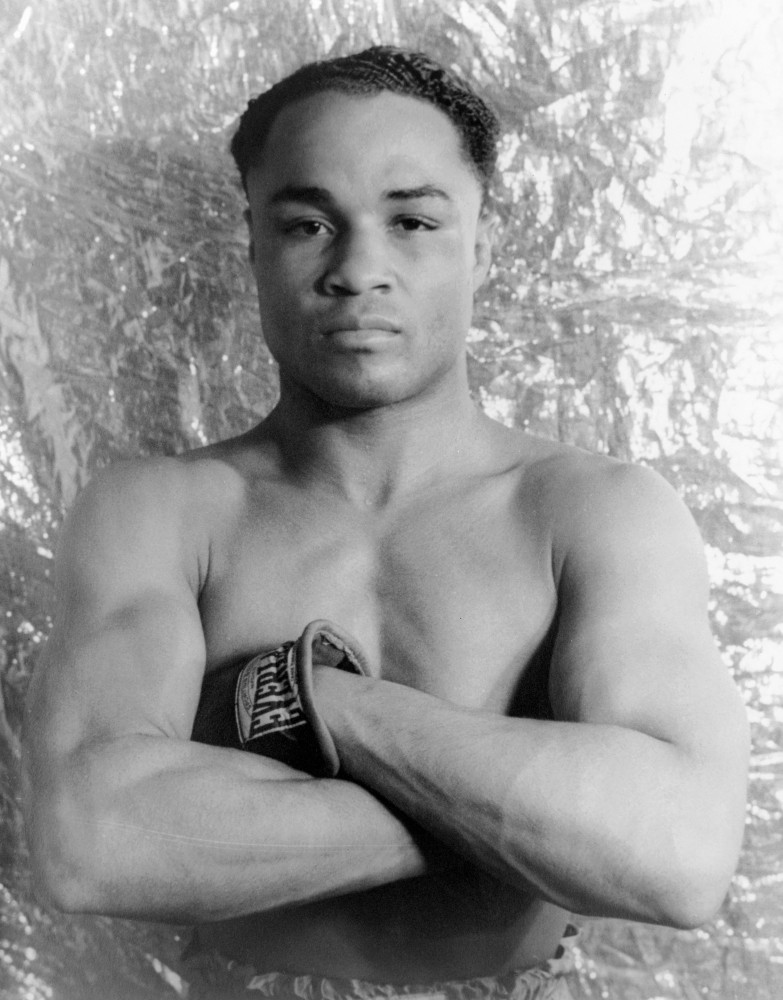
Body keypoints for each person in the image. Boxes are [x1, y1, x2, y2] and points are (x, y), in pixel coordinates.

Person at [22, 46, 749, 1000]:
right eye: (308, 223)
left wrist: (321, 702)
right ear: (251, 244)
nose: (358, 269)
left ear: (481, 245)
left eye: (411, 220)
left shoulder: (593, 512)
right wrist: (521, 821)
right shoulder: (159, 513)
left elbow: (678, 858)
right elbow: (90, 847)